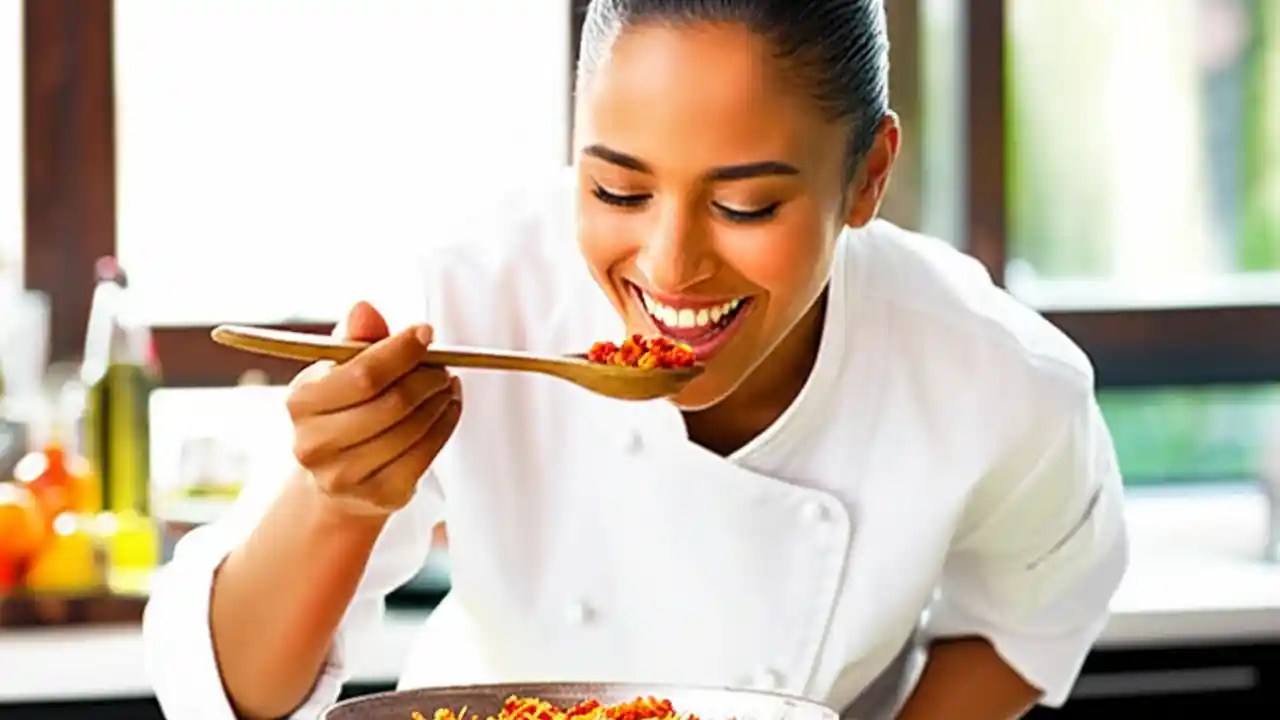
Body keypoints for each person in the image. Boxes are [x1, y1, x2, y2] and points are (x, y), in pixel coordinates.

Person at [142, 1, 1128, 718]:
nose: (669, 265)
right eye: (616, 191)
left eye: (744, 206)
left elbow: (1027, 618)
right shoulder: (468, 297)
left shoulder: (987, 372)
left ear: (866, 175)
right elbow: (226, 693)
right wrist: (337, 501)